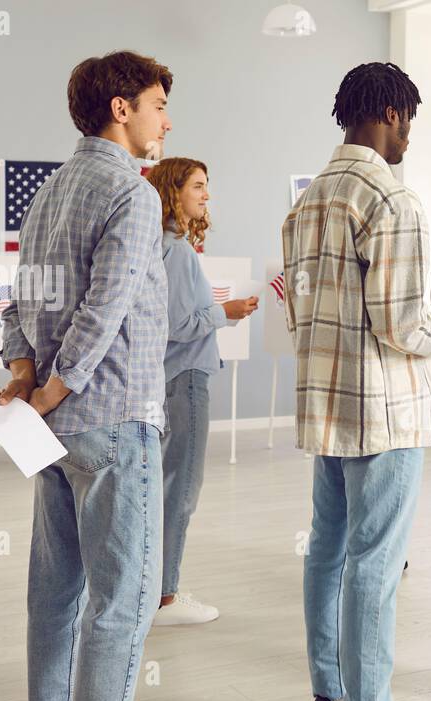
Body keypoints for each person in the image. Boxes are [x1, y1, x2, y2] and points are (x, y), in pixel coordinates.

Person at [0, 50, 204, 701]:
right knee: (123, 597)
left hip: (52, 432)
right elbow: (106, 305)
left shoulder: (49, 191)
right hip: (112, 420)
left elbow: (19, 303)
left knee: (57, 589)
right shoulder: (132, 192)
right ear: (121, 108)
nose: (166, 121)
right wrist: (57, 381)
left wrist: (25, 373)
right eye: (156, 105)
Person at [283, 62, 431, 701]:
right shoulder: (393, 201)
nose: (410, 136)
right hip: (386, 412)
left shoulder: (308, 201)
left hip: (328, 404)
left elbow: (301, 309)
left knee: (328, 550)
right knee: (377, 559)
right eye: (409, 120)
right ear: (388, 112)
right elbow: (401, 325)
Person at [145, 158, 259, 627]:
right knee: (182, 489)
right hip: (186, 380)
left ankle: (157, 589)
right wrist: (223, 310)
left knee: (170, 485)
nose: (206, 195)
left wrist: (224, 314)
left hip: (176, 377)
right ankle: (165, 597)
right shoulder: (176, 251)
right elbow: (177, 326)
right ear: (174, 191)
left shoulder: (167, 248)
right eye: (197, 186)